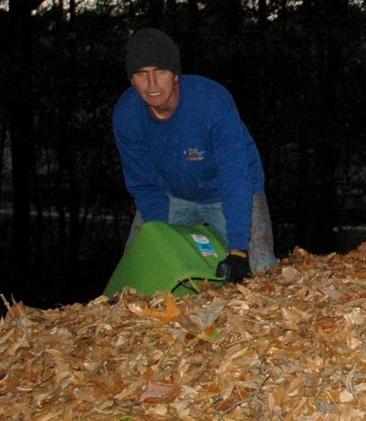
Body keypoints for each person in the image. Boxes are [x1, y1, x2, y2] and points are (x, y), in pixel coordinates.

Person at [113, 28, 274, 283]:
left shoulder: (211, 103)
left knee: (262, 271)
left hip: (228, 192)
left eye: (161, 71)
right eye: (142, 74)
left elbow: (235, 177)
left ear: (176, 74)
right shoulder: (127, 116)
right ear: (132, 79)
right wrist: (159, 240)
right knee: (138, 267)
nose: (152, 84)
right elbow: (144, 184)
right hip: (172, 196)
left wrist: (238, 251)